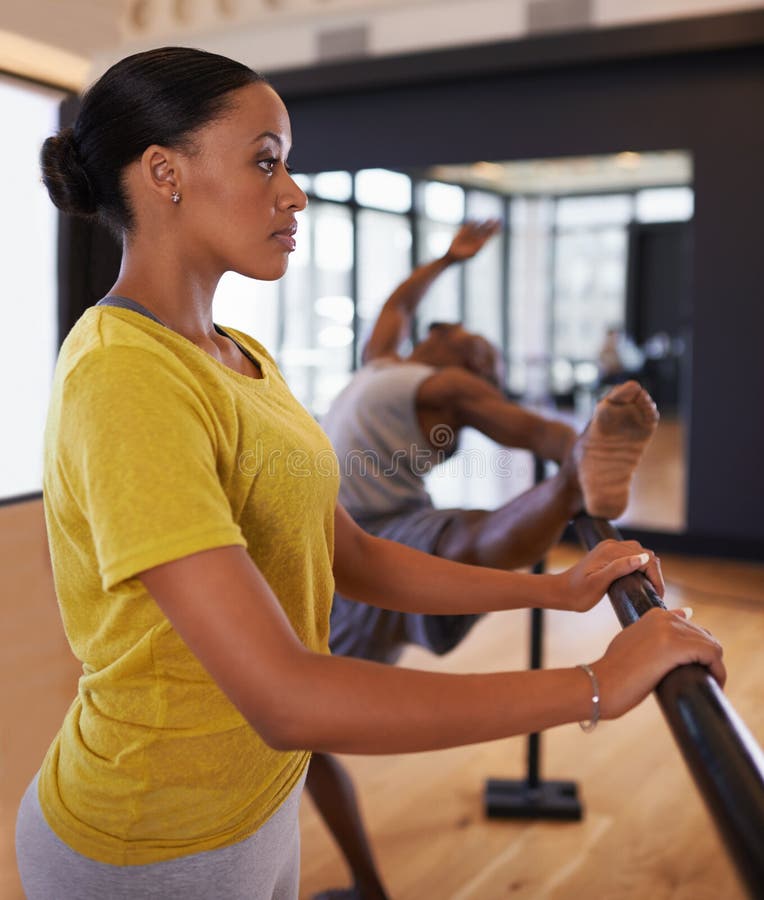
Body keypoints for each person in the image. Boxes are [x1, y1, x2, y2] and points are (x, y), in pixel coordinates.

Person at [15, 47, 724, 900]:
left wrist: (556, 591)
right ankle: (573, 474)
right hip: (150, 841)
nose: (295, 193)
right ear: (164, 171)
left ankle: (571, 476)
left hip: (258, 805)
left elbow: (352, 553)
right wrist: (595, 684)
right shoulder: (124, 376)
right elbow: (287, 698)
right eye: (266, 161)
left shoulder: (239, 355)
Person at [309, 225, 663, 898]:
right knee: (300, 737)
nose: (480, 350)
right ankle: (367, 887)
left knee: (463, 536)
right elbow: (398, 305)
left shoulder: (445, 385)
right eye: (477, 346)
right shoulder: (383, 360)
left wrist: (579, 442)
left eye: (487, 360)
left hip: (373, 537)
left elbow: (528, 427)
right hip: (327, 550)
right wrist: (447, 258)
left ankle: (576, 477)